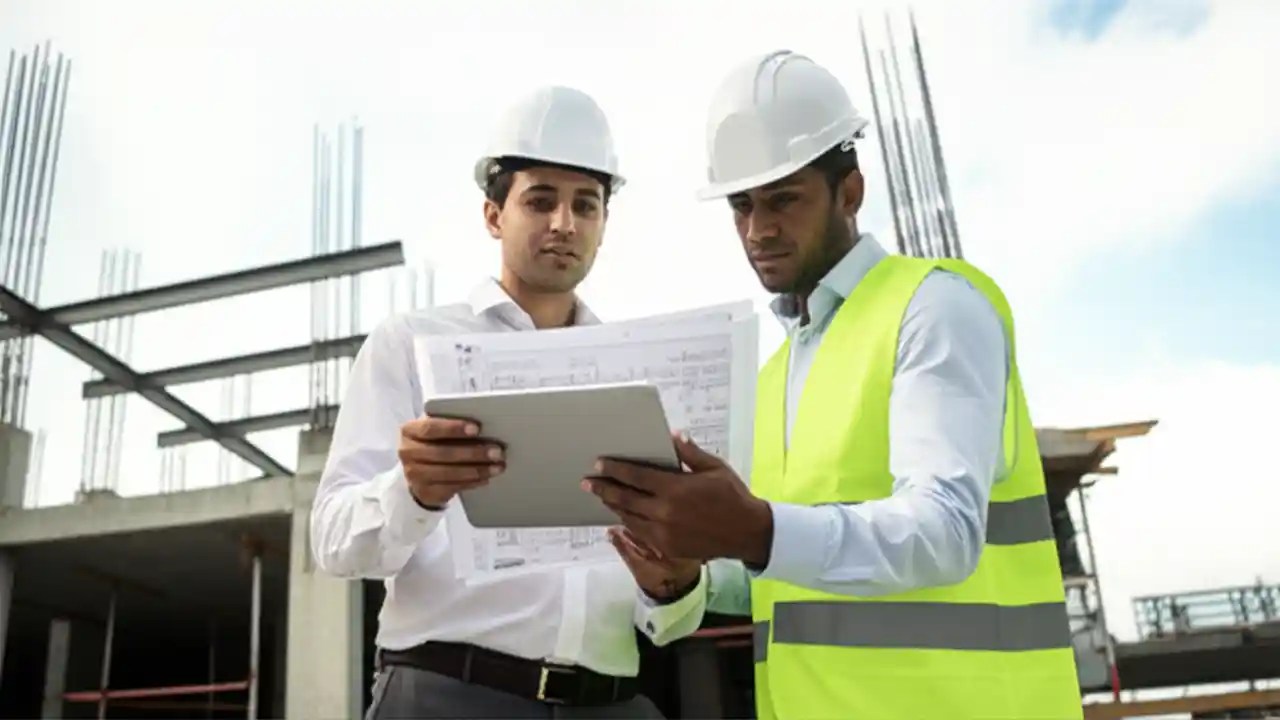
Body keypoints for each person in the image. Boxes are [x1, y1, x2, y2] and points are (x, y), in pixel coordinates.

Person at [583, 50, 1084, 719]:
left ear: (850, 192)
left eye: (784, 199)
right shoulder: (771, 379)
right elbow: (779, 574)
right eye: (741, 205)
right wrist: (684, 578)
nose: (759, 229)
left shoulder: (933, 308)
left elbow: (945, 531)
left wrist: (754, 530)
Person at [311, 85, 665, 719]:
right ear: (493, 215)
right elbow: (336, 541)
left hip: (612, 701)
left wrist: (676, 582)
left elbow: (664, 603)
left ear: (605, 224)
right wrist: (413, 491)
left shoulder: (635, 371)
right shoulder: (412, 345)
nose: (565, 223)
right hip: (449, 693)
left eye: (586, 205)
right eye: (540, 200)